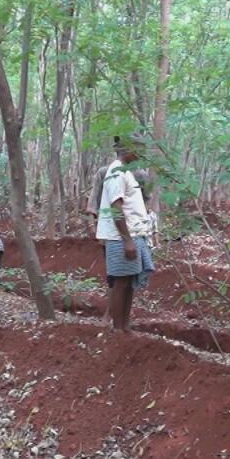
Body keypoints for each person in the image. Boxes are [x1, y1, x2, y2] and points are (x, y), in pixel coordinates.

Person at [97, 135, 156, 331]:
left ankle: (125, 327)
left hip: (133, 234)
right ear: (128, 149)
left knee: (130, 281)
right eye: (138, 149)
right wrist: (127, 240)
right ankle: (117, 329)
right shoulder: (116, 172)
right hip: (120, 237)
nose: (141, 153)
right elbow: (116, 208)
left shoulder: (127, 172)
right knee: (121, 282)